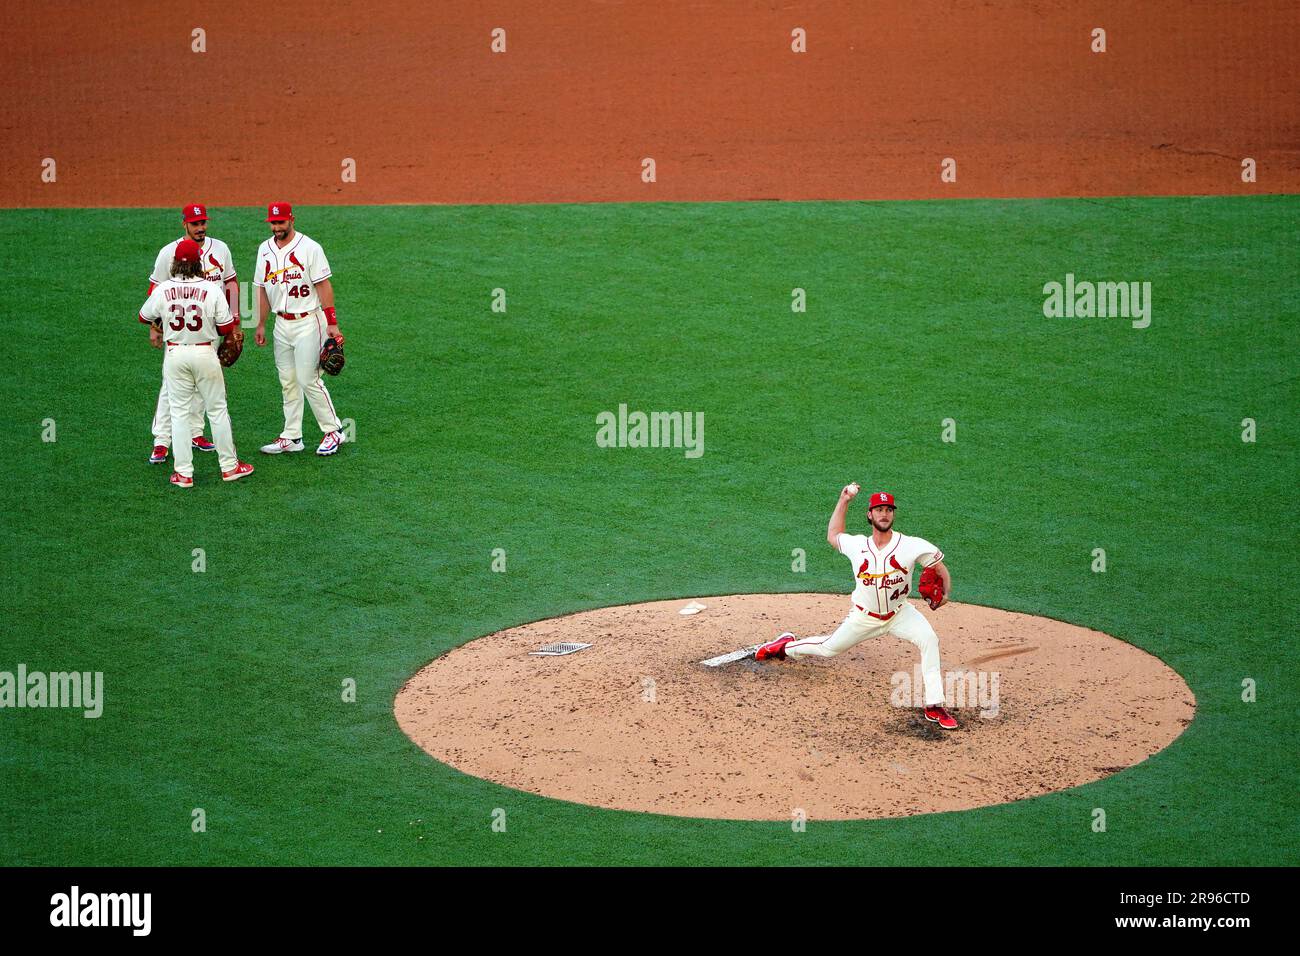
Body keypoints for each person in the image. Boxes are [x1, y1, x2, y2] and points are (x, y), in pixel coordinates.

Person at [754, 485, 959, 729]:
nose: (884, 514)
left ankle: (934, 705)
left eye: (888, 510)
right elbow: (833, 535)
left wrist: (946, 593)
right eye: (879, 510)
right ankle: (785, 646)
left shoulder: (911, 545)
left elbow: (938, 565)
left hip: (900, 613)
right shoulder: (857, 545)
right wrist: (844, 500)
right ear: (869, 515)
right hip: (864, 617)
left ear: (893, 515)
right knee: (828, 648)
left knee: (929, 640)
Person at [138, 238, 253, 488]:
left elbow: (143, 316)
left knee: (179, 413)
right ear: (200, 262)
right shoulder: (212, 289)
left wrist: (162, 322)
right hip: (204, 354)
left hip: (175, 355)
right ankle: (230, 467)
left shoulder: (164, 288)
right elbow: (225, 327)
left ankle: (184, 474)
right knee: (218, 411)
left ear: (175, 263)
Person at [143, 203, 238, 464]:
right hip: (178, 329)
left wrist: (236, 320)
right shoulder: (168, 253)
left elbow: (231, 282)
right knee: (170, 387)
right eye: (195, 224)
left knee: (200, 383)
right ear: (184, 224)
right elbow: (155, 290)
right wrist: (156, 327)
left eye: (203, 223)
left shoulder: (221, 249)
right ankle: (161, 441)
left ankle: (196, 434)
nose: (201, 228)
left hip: (212, 325)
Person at [252, 202, 348, 456]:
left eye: (281, 222)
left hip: (309, 321)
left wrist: (332, 322)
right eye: (273, 223)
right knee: (288, 381)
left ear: (291, 220)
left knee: (309, 379)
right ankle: (292, 436)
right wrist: (260, 323)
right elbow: (261, 289)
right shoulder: (264, 250)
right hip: (281, 324)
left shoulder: (310, 248)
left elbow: (323, 286)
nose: (277, 227)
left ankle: (334, 431)